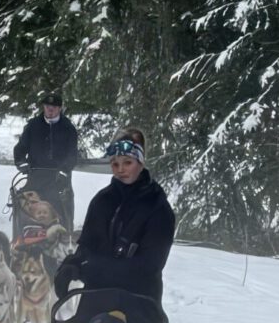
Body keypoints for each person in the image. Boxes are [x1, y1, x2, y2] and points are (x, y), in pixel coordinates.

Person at [56, 127, 175, 307]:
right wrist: (71, 265)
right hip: (95, 302)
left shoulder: (158, 207)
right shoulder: (102, 201)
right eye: (115, 164)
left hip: (140, 305)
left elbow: (148, 267)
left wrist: (91, 270)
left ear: (140, 163)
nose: (121, 170)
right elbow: (87, 247)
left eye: (127, 163)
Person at [13, 90, 80, 226]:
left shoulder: (68, 128)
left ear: (60, 109)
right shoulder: (33, 125)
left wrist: (64, 170)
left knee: (63, 208)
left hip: (59, 178)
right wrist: (21, 162)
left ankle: (66, 236)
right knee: (28, 207)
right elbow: (21, 147)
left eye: (54, 107)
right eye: (47, 107)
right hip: (35, 175)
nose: (50, 110)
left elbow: (72, 154)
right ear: (43, 107)